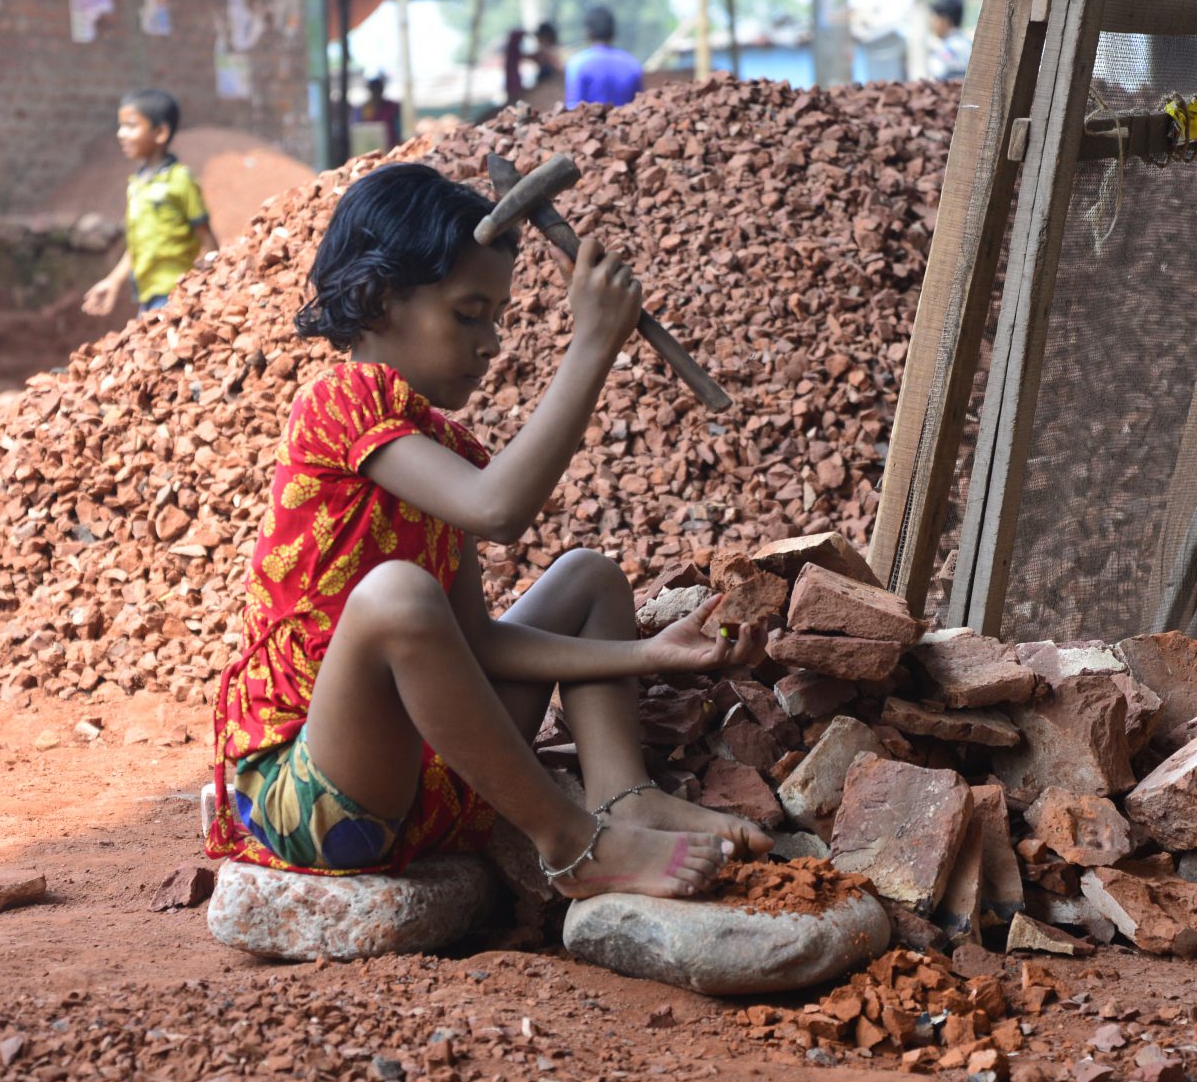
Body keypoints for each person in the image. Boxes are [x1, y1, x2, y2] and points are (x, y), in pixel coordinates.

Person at [207, 163, 772, 896]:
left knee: (589, 576)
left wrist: (646, 652)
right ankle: (573, 843)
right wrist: (593, 343)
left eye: (497, 316)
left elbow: (477, 641)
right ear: (381, 301)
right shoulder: (339, 400)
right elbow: (499, 510)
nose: (493, 343)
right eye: (470, 314)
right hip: (312, 797)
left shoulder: (438, 443)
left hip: (428, 785)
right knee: (397, 597)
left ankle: (621, 793)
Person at [83, 89, 216, 318]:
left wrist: (211, 286)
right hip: (148, 297)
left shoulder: (179, 180)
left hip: (176, 295)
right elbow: (138, 247)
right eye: (120, 126)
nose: (121, 134)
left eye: (131, 126)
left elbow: (206, 237)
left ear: (160, 132)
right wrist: (113, 281)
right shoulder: (137, 185)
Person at [564, 5, 644, 108]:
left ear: (588, 32)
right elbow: (640, 104)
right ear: (613, 32)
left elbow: (573, 106)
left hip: (589, 123)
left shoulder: (577, 64)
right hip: (626, 122)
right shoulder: (632, 64)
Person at [350, 74, 403, 154]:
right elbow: (356, 132)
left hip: (389, 151)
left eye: (378, 89)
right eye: (373, 90)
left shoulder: (392, 107)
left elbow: (399, 131)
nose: (376, 93)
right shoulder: (361, 109)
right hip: (366, 151)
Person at [926, 0, 972, 83]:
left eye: (935, 19)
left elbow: (937, 75)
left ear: (944, 20)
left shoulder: (944, 48)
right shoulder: (969, 44)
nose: (932, 24)